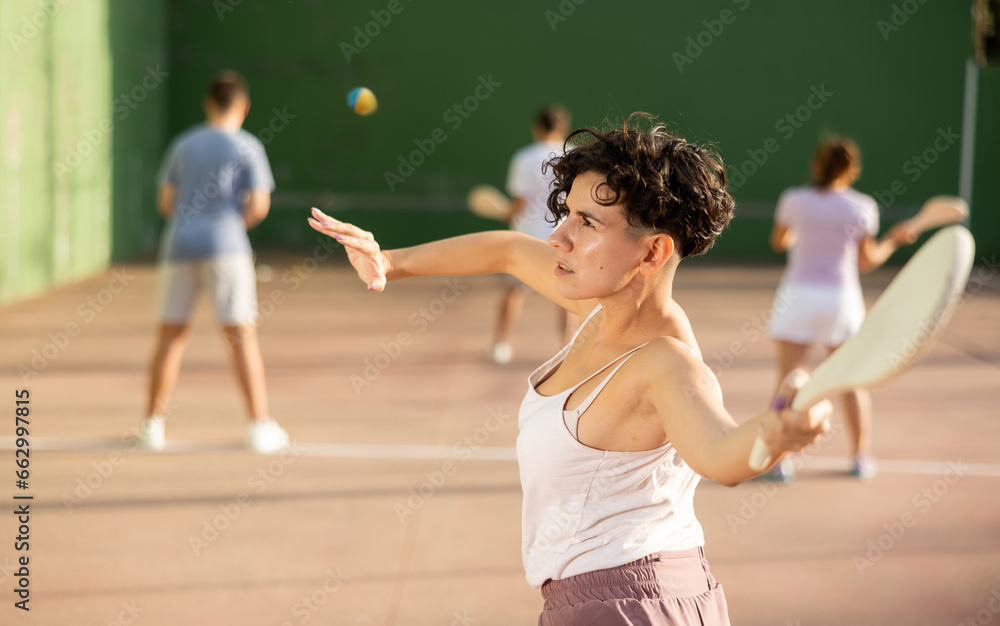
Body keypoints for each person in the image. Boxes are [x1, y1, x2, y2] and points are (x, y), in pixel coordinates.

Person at [308, 113, 833, 625]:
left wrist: (776, 432)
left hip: (631, 604)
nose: (559, 238)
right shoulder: (598, 309)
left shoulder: (666, 363)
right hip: (600, 599)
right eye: (568, 215)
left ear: (654, 252)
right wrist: (390, 262)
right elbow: (508, 250)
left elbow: (720, 455)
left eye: (588, 222)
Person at [135, 71, 289, 454]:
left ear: (208, 103)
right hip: (227, 247)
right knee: (240, 336)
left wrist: (191, 221)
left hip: (179, 246)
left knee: (171, 335)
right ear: (244, 107)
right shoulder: (249, 146)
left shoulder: (183, 144)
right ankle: (259, 427)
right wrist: (231, 224)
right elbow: (259, 205)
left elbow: (166, 203)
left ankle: (152, 428)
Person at [766, 137, 915, 481]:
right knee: (851, 382)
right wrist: (894, 239)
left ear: (816, 164)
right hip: (840, 301)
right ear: (852, 169)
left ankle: (777, 462)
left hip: (797, 297)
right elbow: (868, 261)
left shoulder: (793, 199)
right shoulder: (861, 207)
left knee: (788, 380)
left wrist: (803, 234)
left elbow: (779, 241)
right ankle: (861, 458)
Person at [491, 104, 575, 364]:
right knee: (567, 294)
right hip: (565, 238)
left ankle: (500, 345)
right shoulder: (575, 156)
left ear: (537, 127)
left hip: (527, 237)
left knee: (514, 291)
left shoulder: (523, 158)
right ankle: (567, 349)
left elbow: (519, 204)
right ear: (562, 127)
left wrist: (507, 213)